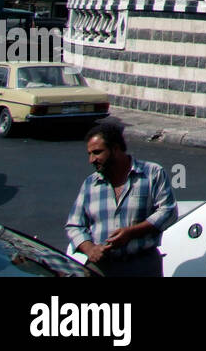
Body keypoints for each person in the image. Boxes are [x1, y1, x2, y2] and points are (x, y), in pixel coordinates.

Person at [65, 118, 177, 277]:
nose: (92, 160)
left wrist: (131, 233)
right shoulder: (90, 184)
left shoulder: (152, 173)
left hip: (141, 264)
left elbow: (168, 211)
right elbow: (74, 225)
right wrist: (90, 249)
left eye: (97, 152)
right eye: (89, 154)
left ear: (116, 148)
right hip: (103, 266)